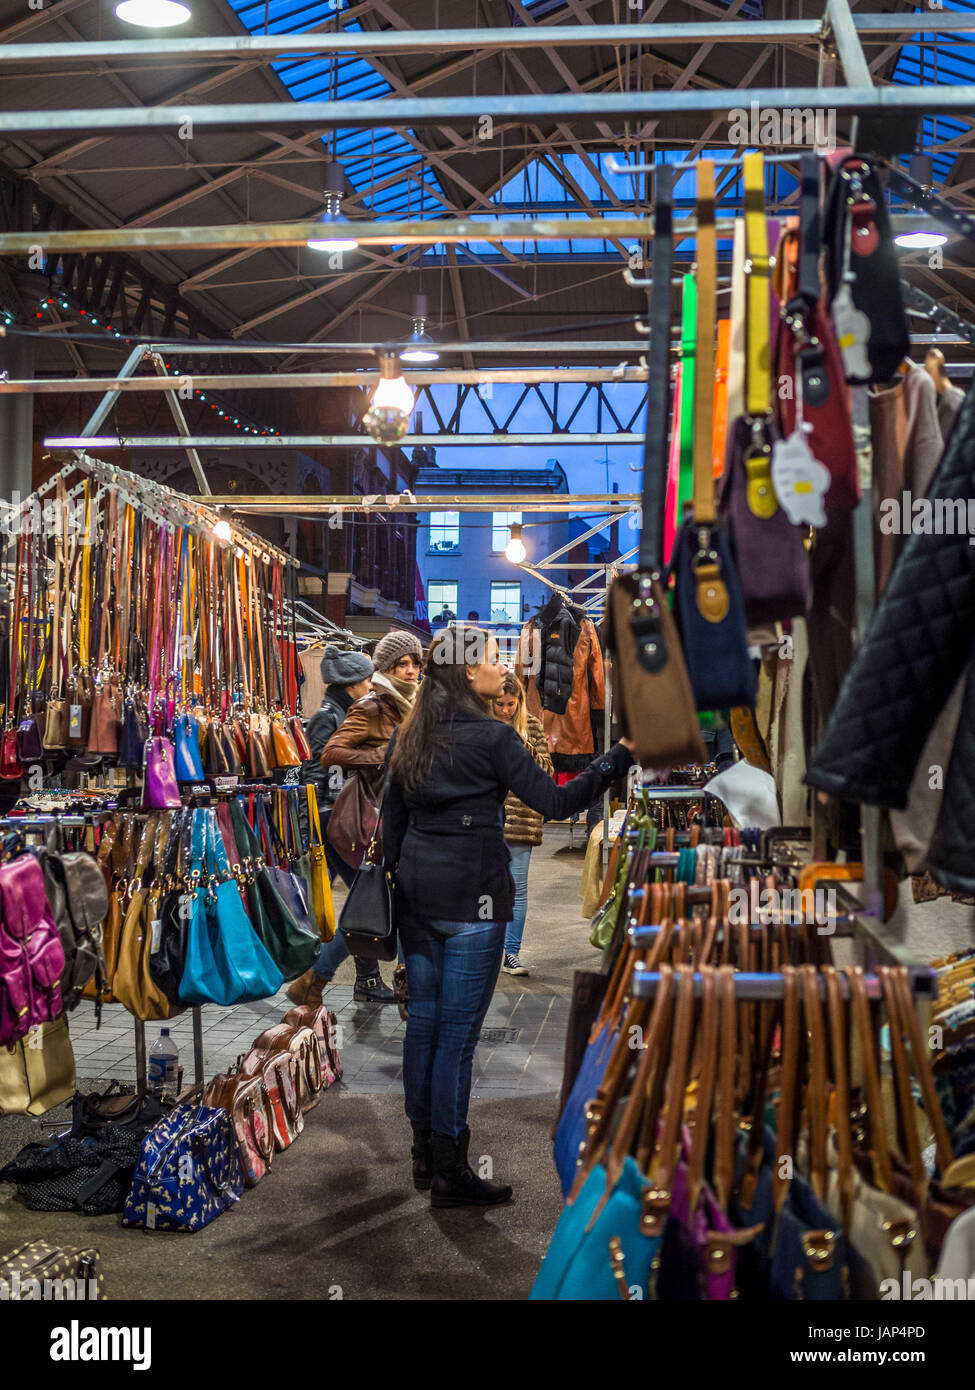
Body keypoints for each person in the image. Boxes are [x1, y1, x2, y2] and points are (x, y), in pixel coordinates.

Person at [383, 625, 633, 1208]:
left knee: (423, 1024)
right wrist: (618, 757)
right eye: (496, 658)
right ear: (469, 672)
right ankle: (449, 1166)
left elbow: (391, 827)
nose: (506, 667)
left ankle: (424, 1152)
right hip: (475, 901)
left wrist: (406, 881)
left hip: (418, 900)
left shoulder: (410, 736)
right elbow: (558, 803)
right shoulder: (493, 738)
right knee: (455, 1038)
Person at [289, 629, 423, 1007]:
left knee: (376, 903)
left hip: (392, 818)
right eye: (403, 663)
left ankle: (349, 978)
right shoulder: (369, 707)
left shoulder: (414, 704)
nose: (411, 670)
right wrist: (383, 756)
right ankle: (321, 975)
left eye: (415, 662)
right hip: (360, 823)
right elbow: (327, 757)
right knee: (370, 903)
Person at [289, 644, 378, 1007]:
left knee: (364, 899)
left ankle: (363, 979)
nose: (371, 685)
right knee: (366, 900)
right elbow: (315, 773)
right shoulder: (329, 714)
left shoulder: (345, 711)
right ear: (351, 683)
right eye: (366, 679)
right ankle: (320, 977)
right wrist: (316, 822)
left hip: (338, 818)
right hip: (333, 820)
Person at [492, 669, 553, 977]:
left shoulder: (531, 726)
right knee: (486, 887)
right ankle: (487, 950)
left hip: (522, 821)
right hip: (486, 820)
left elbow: (547, 769)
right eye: (500, 704)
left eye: (511, 704)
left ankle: (511, 953)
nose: (505, 710)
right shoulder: (482, 726)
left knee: (517, 889)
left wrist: (522, 745)